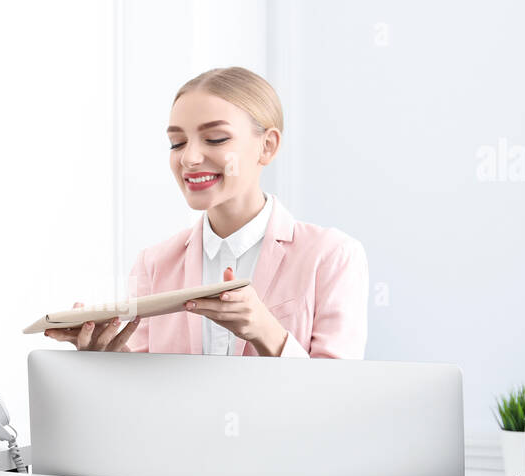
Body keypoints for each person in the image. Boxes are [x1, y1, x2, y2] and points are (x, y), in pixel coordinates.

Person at [45, 66, 368, 357]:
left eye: (215, 138)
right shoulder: (154, 264)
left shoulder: (331, 256)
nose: (189, 158)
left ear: (267, 146)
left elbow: (338, 399)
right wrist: (106, 360)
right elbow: (145, 396)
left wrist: (266, 333)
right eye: (177, 143)